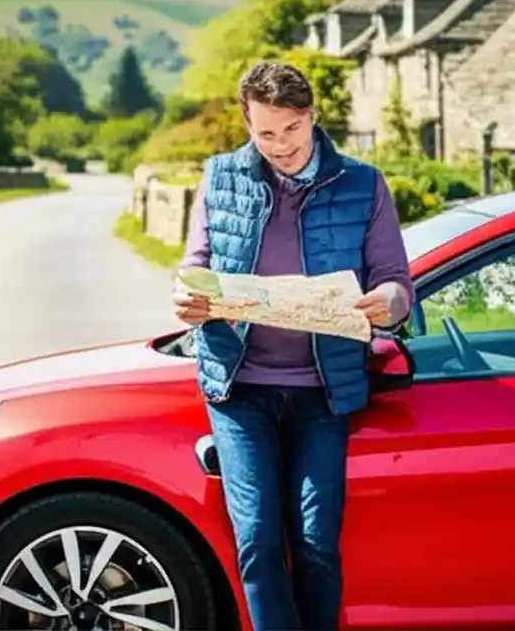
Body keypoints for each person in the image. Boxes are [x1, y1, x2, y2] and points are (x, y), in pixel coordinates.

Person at [173, 60, 413, 630]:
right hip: (239, 389)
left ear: (312, 118)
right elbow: (195, 265)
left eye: (291, 130)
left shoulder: (363, 184)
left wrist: (389, 304)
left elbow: (397, 282)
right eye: (265, 134)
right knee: (255, 538)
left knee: (314, 542)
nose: (280, 146)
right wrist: (187, 297)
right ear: (248, 124)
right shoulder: (221, 176)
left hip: (322, 394)